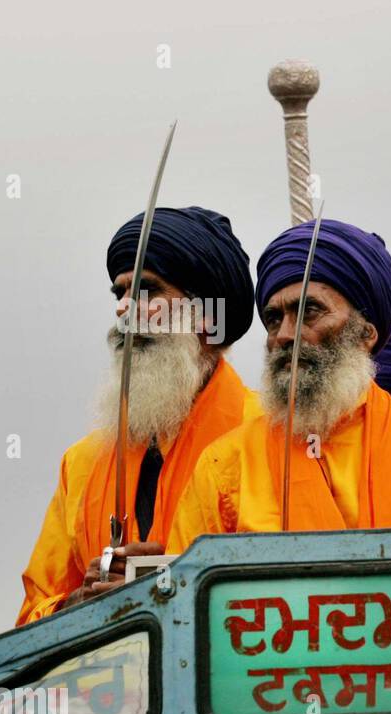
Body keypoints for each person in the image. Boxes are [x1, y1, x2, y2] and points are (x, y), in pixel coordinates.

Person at [167, 219, 391, 547]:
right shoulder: (226, 464)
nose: (286, 335)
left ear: (365, 334)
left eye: (309, 312)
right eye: (274, 319)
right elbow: (187, 590)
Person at [17, 206, 259, 623]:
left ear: (206, 314)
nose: (124, 309)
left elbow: (298, 597)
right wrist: (79, 607)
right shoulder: (81, 464)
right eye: (120, 293)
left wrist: (176, 587)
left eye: (147, 291)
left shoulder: (270, 437)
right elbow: (30, 618)